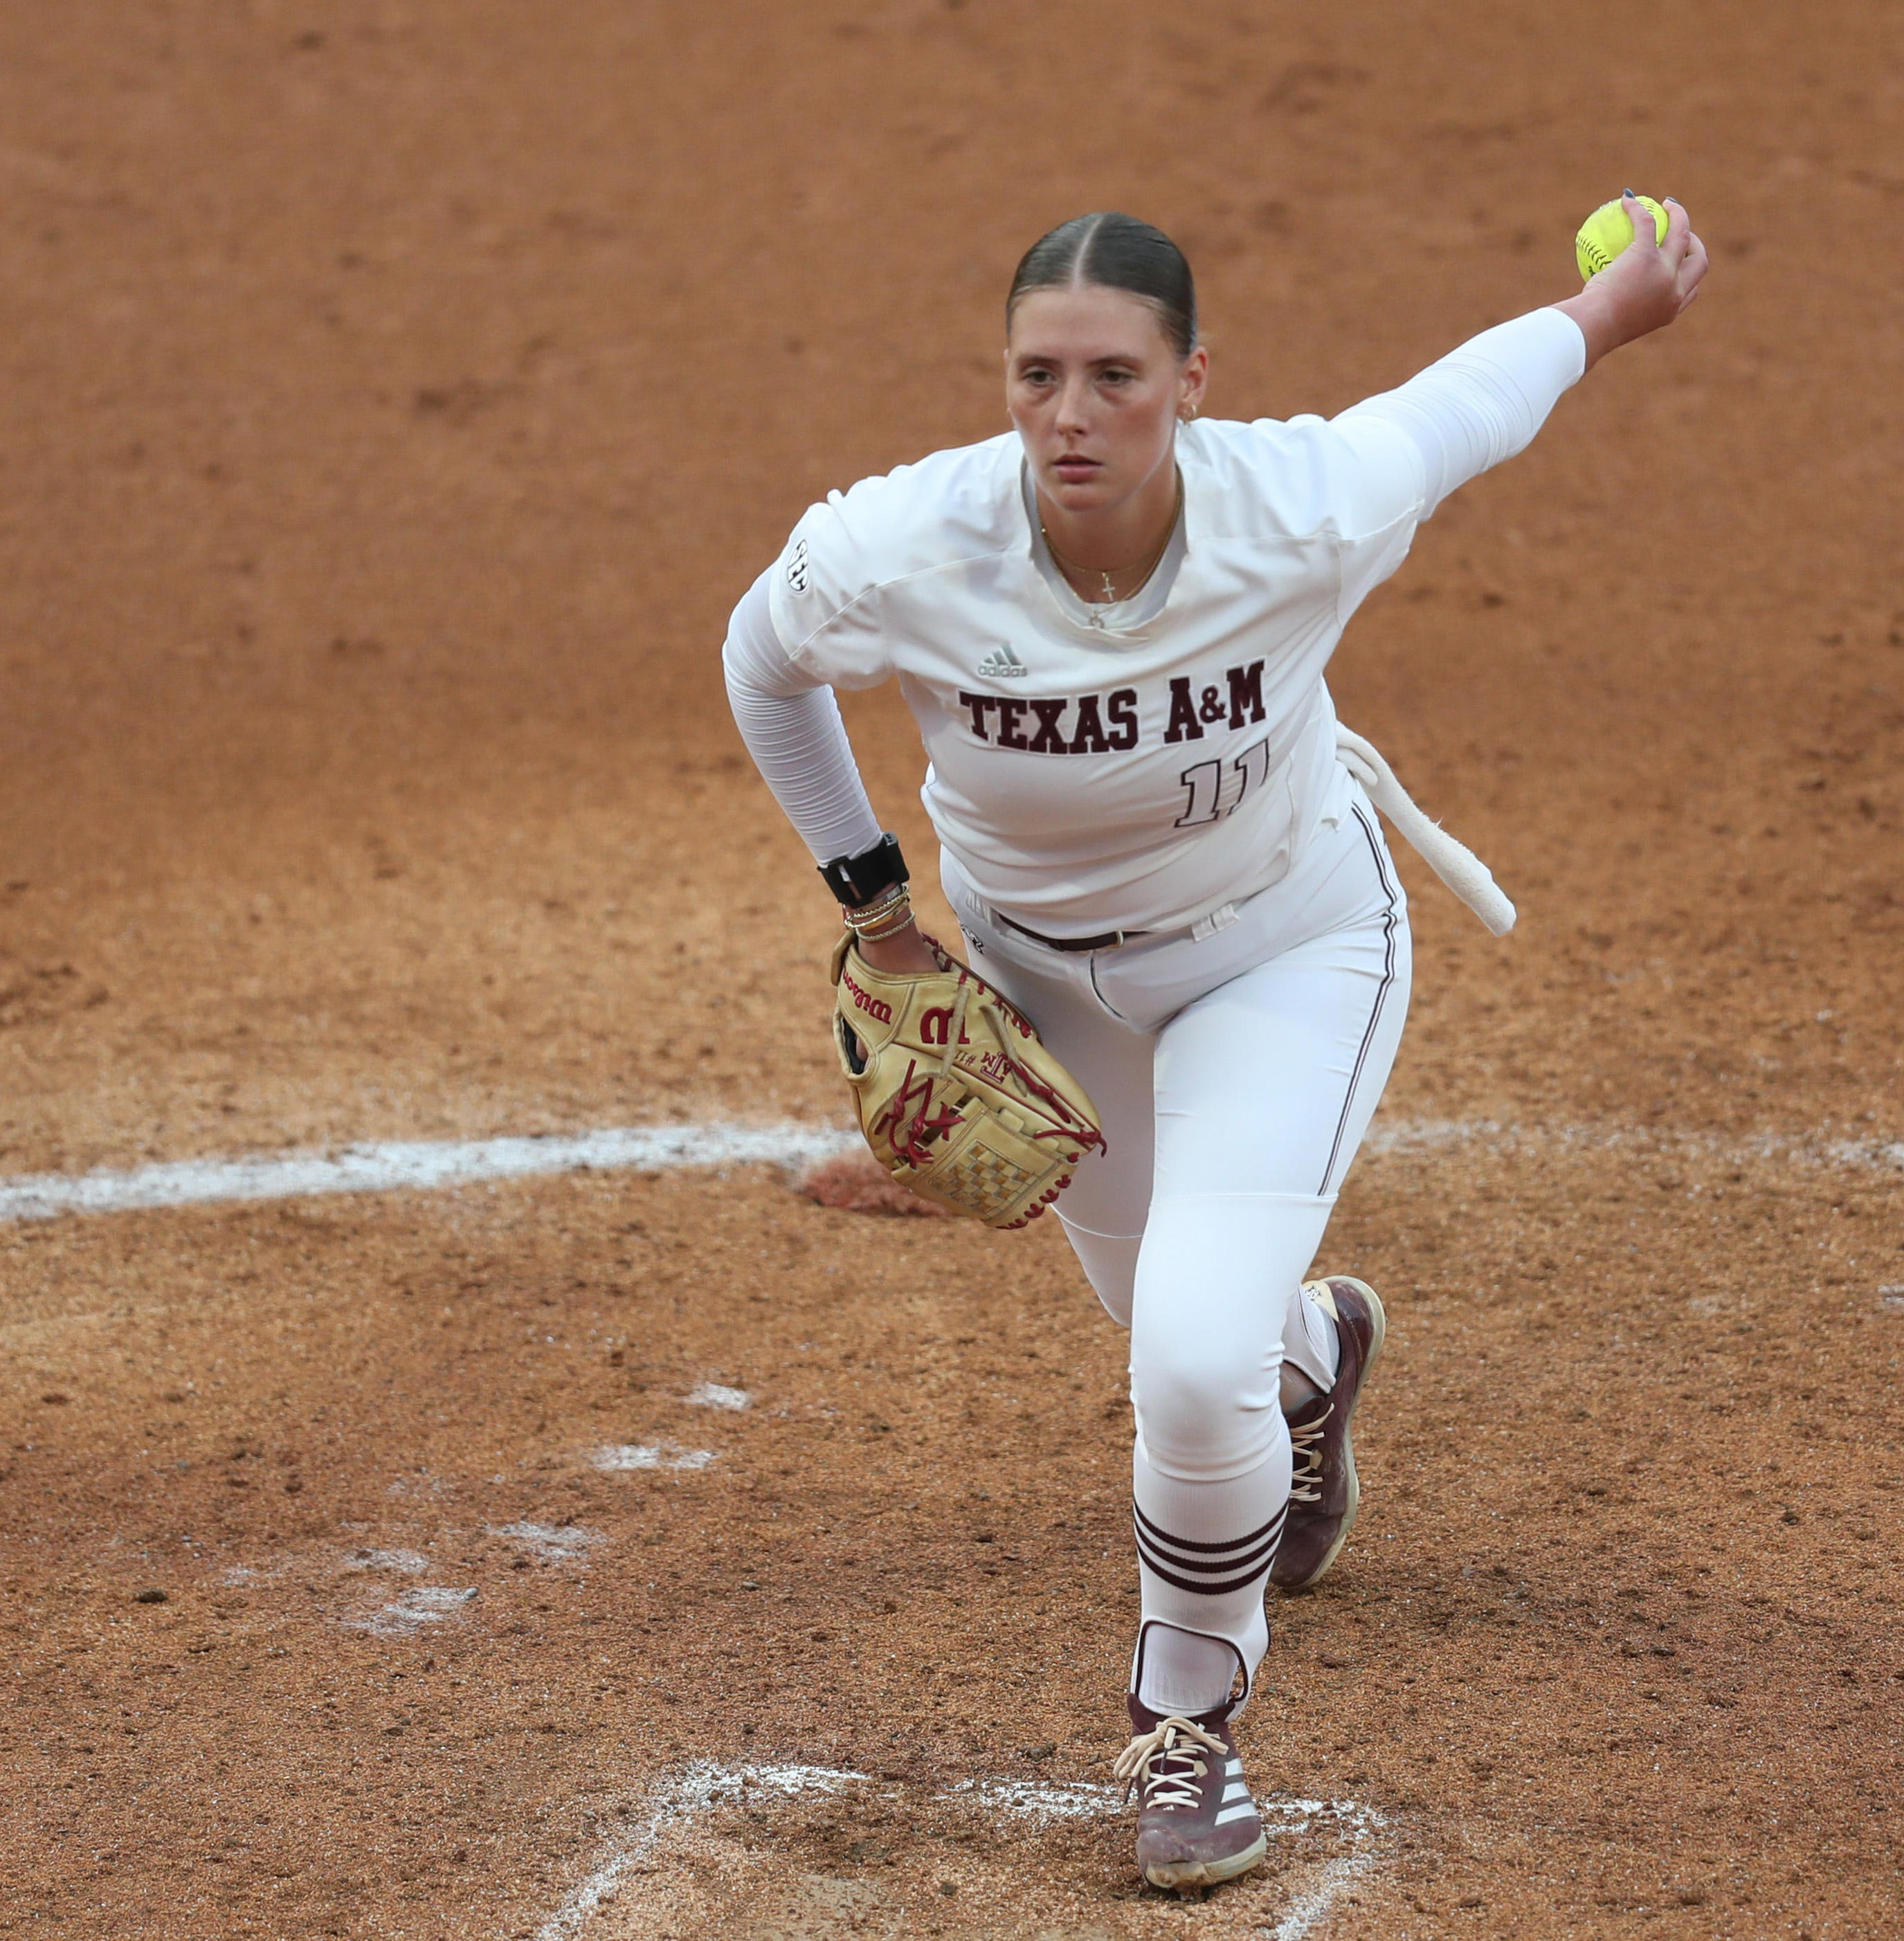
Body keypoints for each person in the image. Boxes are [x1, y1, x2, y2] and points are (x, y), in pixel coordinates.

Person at [723, 201, 1707, 1892]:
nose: (1070, 415)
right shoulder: (906, 547)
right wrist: (878, 908)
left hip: (1287, 950)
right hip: (1054, 984)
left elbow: (1474, 398)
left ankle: (1186, 1727)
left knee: (1185, 1359)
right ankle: (1320, 1360)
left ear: (1190, 381)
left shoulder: (1298, 504)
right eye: (1038, 375)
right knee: (1195, 1326)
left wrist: (1611, 307)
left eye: (1114, 374)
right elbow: (763, 663)